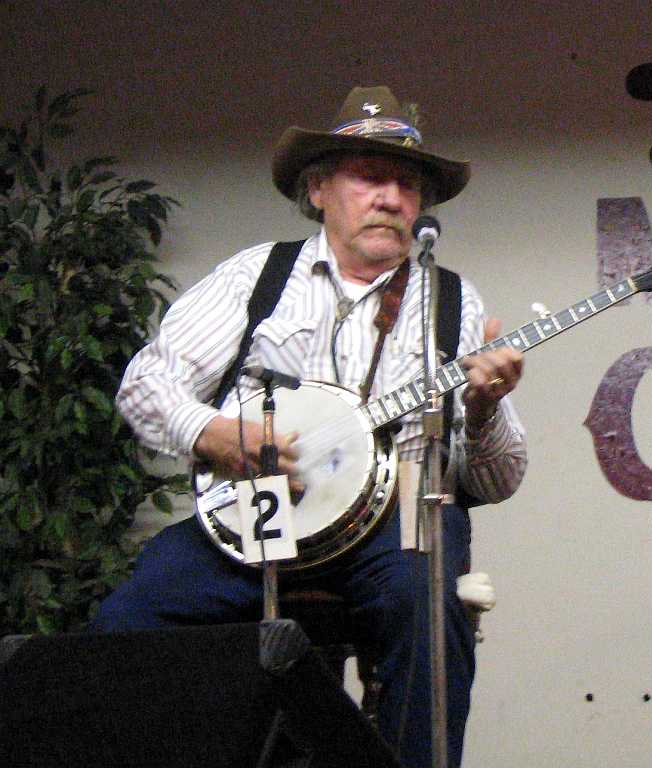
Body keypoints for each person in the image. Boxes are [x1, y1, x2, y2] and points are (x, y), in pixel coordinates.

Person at [94, 86, 527, 768]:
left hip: (394, 524)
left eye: (407, 185)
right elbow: (147, 384)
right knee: (127, 621)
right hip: (256, 513)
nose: (391, 198)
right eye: (369, 177)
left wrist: (484, 408)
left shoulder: (452, 301)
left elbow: (499, 480)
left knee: (427, 613)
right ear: (319, 189)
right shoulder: (258, 277)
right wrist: (213, 434)